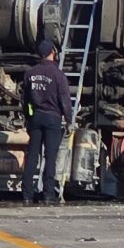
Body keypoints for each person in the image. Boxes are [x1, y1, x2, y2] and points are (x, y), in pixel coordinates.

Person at [22, 39, 74, 206]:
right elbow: (65, 100)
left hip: (35, 117)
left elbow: (25, 100)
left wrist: (28, 118)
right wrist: (69, 121)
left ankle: (27, 194)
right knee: (50, 157)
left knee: (32, 157)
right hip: (53, 118)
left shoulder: (30, 73)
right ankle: (48, 194)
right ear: (53, 52)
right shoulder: (58, 75)